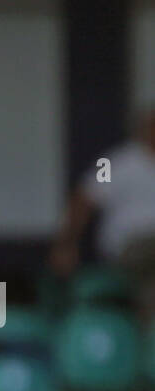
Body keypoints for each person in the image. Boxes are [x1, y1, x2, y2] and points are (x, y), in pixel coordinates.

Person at [51, 107, 155, 318]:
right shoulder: (115, 162)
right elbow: (83, 200)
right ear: (141, 129)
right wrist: (66, 243)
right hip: (130, 246)